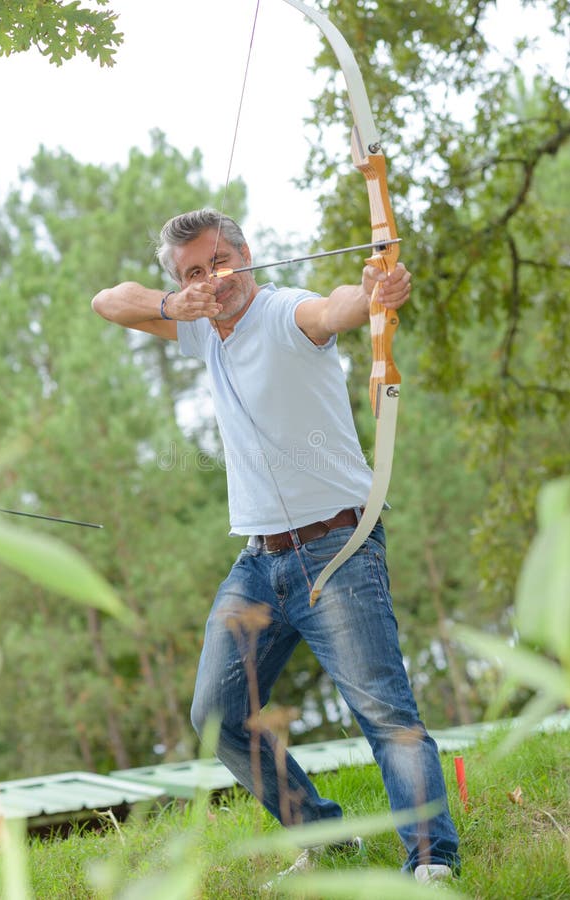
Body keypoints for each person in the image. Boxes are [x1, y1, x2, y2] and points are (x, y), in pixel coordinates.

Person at [91, 208, 460, 885]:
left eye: (218, 262)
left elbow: (334, 310)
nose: (213, 280)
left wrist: (372, 294)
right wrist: (179, 302)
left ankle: (430, 859)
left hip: (334, 552)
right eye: (194, 271)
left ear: (247, 255)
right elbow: (106, 301)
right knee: (215, 714)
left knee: (382, 710)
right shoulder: (200, 331)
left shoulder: (286, 312)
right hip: (259, 561)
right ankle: (320, 832)